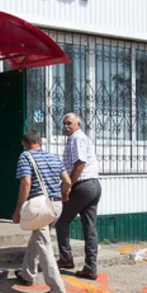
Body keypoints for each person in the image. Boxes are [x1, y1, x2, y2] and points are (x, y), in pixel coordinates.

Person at [12, 130, 72, 293]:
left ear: (24, 143)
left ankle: (57, 289)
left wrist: (18, 210)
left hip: (40, 208)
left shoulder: (26, 157)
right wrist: (65, 194)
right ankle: (26, 274)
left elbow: (26, 183)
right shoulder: (54, 157)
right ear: (40, 141)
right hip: (56, 206)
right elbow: (67, 181)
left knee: (44, 244)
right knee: (38, 237)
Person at [56, 112, 103, 280]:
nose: (66, 126)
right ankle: (90, 267)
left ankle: (66, 258)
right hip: (93, 186)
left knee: (62, 220)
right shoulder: (76, 139)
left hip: (83, 186)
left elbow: (80, 163)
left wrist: (68, 185)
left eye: (69, 123)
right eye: (64, 123)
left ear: (78, 124)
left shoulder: (77, 138)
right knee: (89, 228)